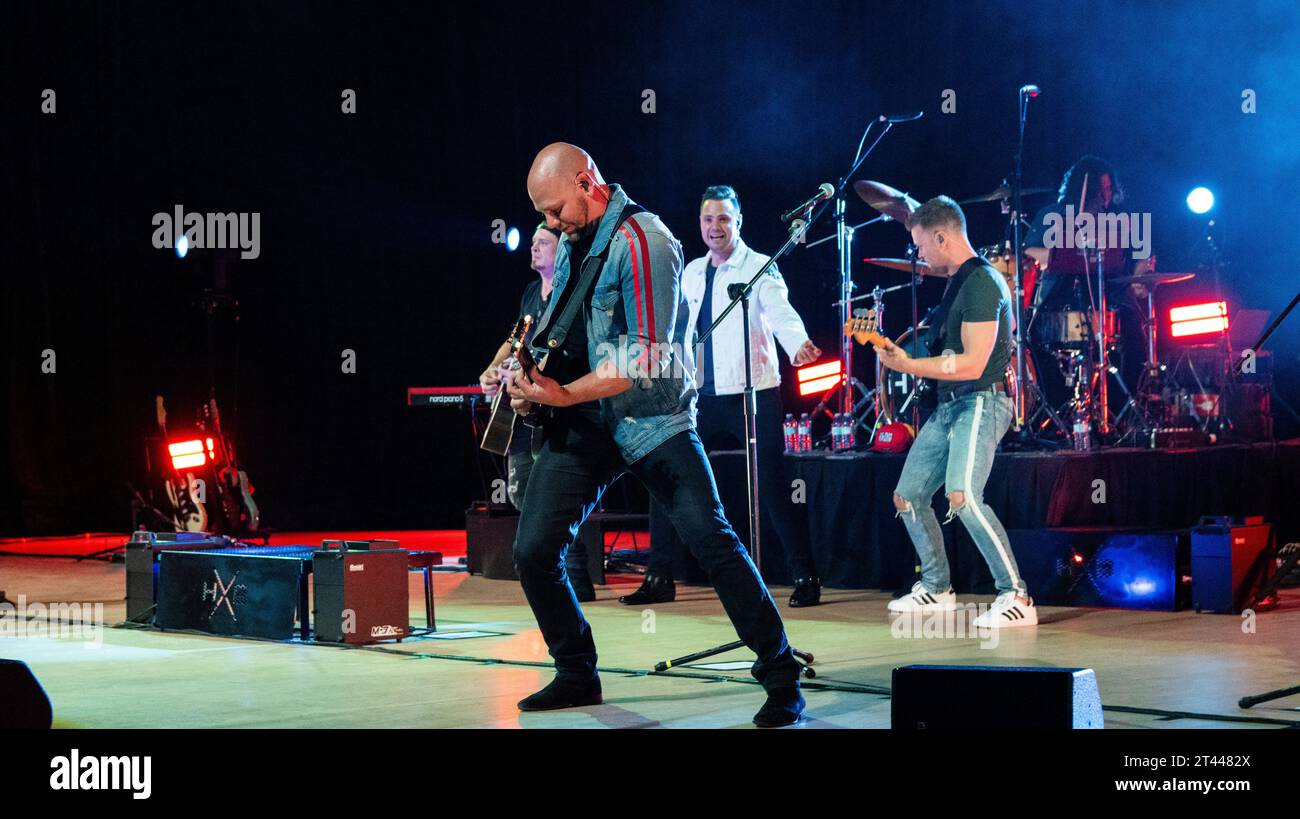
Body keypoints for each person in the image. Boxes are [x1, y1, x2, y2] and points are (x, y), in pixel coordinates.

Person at [505, 143, 804, 726]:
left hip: (653, 418)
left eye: (555, 209)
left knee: (714, 543)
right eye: (543, 213)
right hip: (590, 417)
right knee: (533, 550)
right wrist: (530, 376)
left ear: (587, 181)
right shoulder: (571, 241)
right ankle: (575, 673)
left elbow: (643, 354)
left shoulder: (648, 242)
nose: (549, 223)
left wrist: (561, 394)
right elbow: (565, 331)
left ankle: (781, 675)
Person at [625, 185, 824, 607]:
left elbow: (780, 309)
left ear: (738, 223)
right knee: (666, 476)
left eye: (723, 219)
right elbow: (673, 323)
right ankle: (659, 576)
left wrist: (799, 344)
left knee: (771, 485)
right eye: (707, 219)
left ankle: (804, 575)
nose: (715, 227)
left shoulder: (759, 267)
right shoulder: (692, 271)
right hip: (699, 395)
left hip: (751, 393)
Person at [876, 196, 1036, 628]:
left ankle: (1016, 595)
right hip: (951, 404)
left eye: (921, 244)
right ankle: (936, 587)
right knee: (907, 496)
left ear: (942, 236)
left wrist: (908, 365)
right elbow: (949, 357)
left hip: (982, 400)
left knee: (963, 496)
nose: (918, 254)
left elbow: (973, 364)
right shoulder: (959, 282)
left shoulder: (983, 282)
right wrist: (899, 355)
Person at [478, 223, 595, 601]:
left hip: (555, 408)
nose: (534, 248)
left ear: (561, 250)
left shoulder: (569, 292)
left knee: (555, 494)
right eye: (532, 243)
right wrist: (492, 370)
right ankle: (549, 572)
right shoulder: (531, 293)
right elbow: (515, 342)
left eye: (543, 243)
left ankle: (577, 578)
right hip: (523, 408)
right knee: (520, 491)